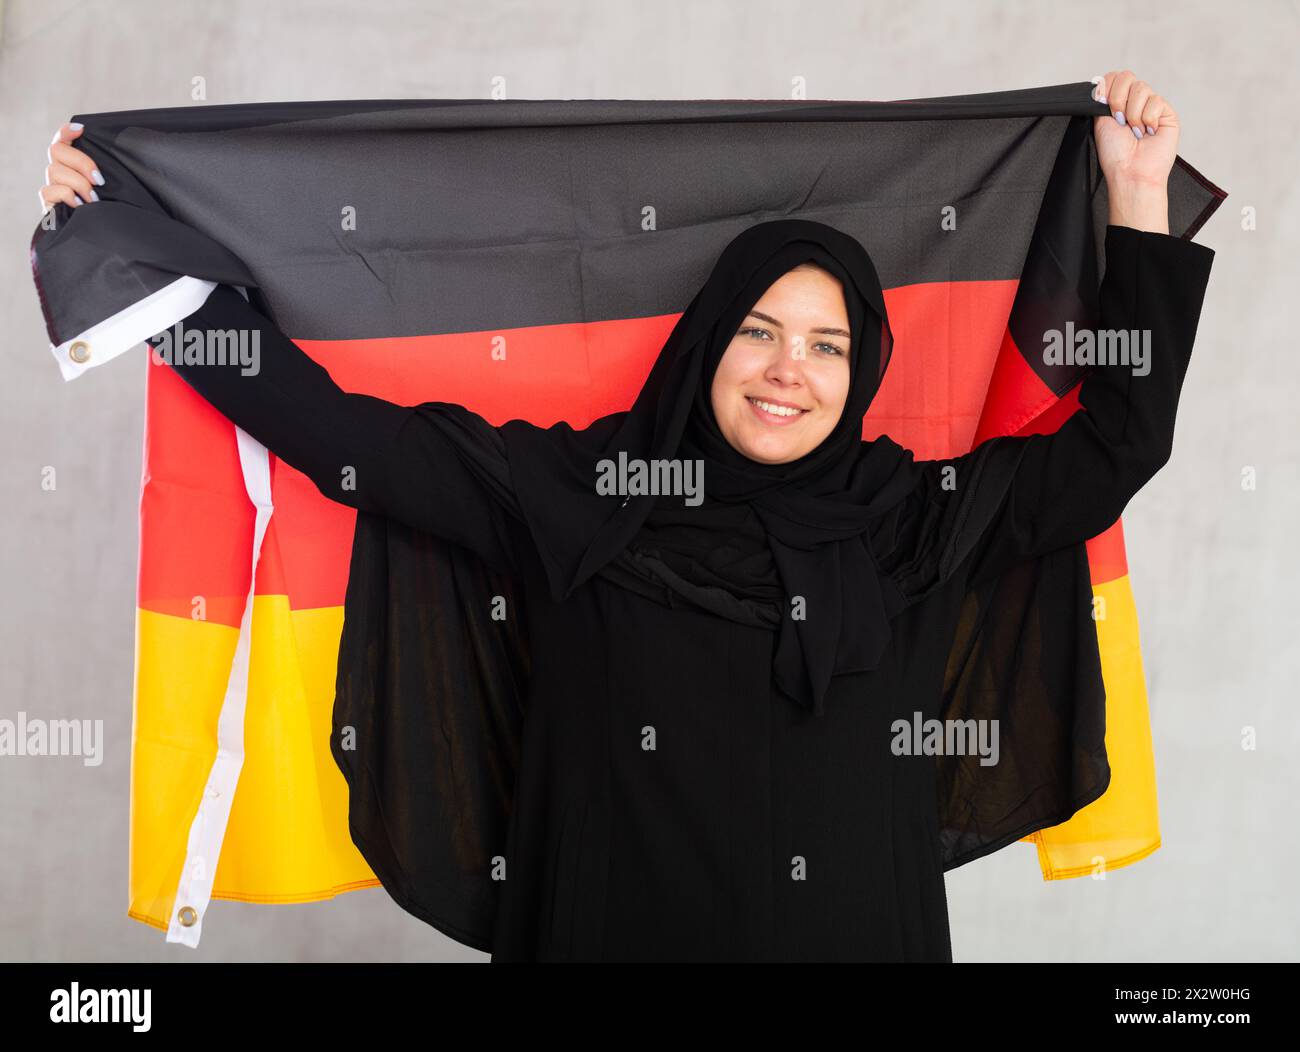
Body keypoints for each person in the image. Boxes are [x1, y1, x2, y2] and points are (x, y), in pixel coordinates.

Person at [38, 71, 1215, 961]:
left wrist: (1134, 194)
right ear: (705, 344)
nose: (784, 370)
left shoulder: (912, 515)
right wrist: (127, 259)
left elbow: (1117, 439)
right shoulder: (577, 496)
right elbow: (343, 438)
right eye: (755, 331)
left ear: (860, 375)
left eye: (825, 346)